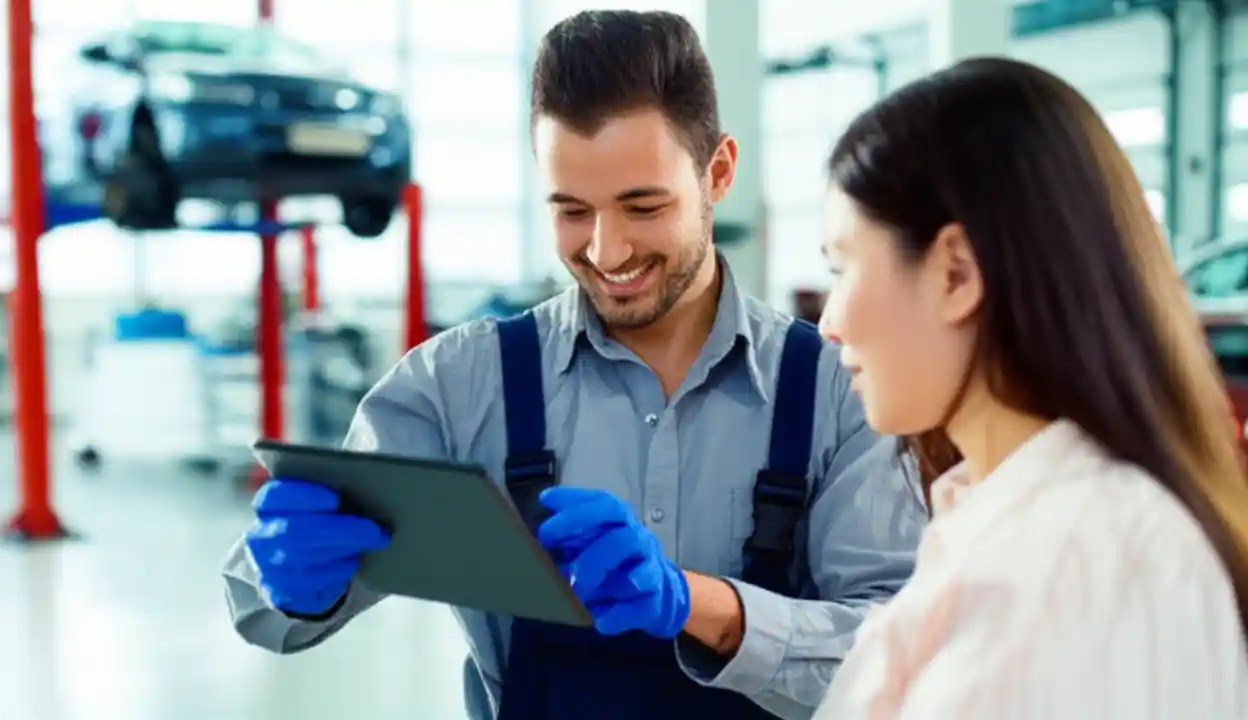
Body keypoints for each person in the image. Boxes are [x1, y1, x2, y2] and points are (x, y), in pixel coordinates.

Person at [222, 10, 926, 720]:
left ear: (717, 173)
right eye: (571, 211)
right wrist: (289, 581)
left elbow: (900, 655)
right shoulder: (457, 387)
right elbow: (259, 604)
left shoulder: (842, 391)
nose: (606, 250)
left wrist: (702, 608)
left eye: (642, 206)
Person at [809, 56, 1248, 719]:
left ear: (956, 272)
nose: (829, 323)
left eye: (843, 268)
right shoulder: (1005, 515)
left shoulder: (1090, 554)